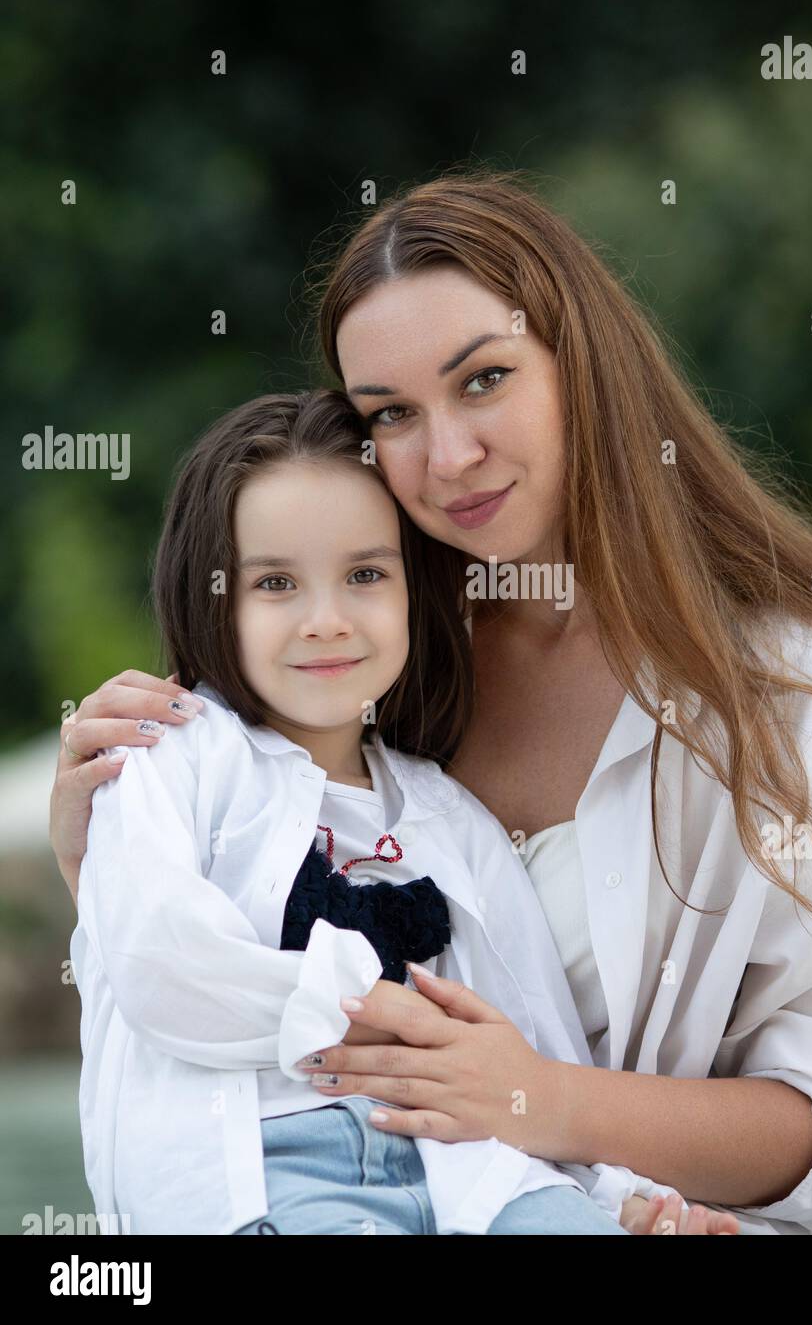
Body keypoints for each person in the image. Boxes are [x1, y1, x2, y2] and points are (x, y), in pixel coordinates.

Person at [53, 170, 812, 1235]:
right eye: (391, 414)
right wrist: (95, 862)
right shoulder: (377, 665)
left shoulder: (804, 698)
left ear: (581, 366)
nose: (447, 455)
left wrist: (534, 1099)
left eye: (483, 379)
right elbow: (207, 973)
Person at [70, 387, 737, 1236]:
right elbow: (158, 962)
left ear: (413, 589)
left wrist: (612, 1194)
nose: (327, 620)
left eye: (364, 575)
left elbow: (527, 1038)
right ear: (211, 596)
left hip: (464, 1164)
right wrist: (360, 1006)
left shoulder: (450, 818)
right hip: (262, 1165)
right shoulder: (170, 760)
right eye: (275, 582)